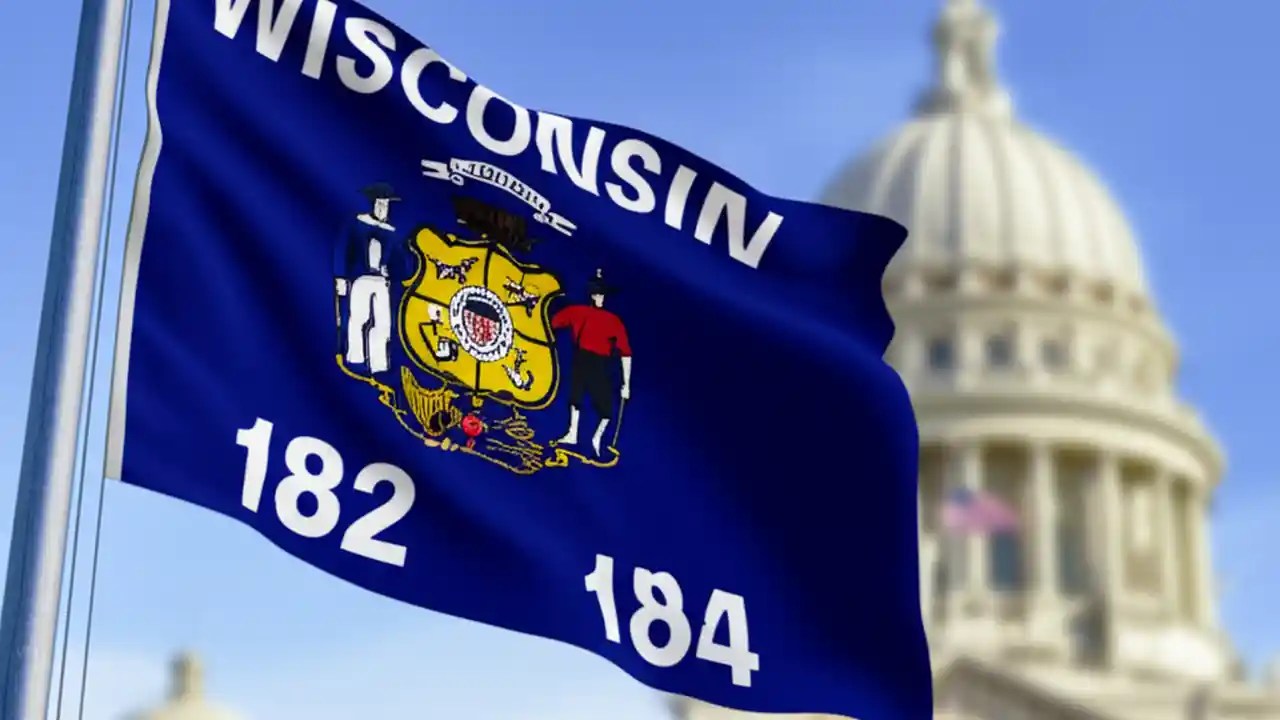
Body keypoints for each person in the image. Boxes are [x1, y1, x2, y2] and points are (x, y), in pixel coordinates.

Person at [551, 269, 632, 456]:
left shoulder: (613, 321)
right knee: (575, 397)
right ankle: (572, 433)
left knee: (604, 405)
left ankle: (597, 437)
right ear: (592, 295)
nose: (600, 298)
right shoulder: (577, 312)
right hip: (581, 357)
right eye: (598, 294)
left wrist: (626, 384)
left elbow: (625, 352)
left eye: (603, 294)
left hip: (600, 362)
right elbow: (554, 322)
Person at [334, 183, 402, 374]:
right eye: (380, 204)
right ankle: (355, 357)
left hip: (381, 281)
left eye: (386, 205)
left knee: (383, 323)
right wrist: (341, 276)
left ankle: (379, 363)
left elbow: (394, 257)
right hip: (360, 278)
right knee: (359, 318)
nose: (383, 209)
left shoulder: (390, 230)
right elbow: (343, 250)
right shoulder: (358, 224)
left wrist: (392, 271)